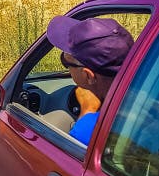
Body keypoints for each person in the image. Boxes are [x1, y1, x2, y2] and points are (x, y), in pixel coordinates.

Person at [46, 16, 135, 145]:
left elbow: (69, 159)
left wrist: (87, 111)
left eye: (66, 62)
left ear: (88, 76)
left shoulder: (92, 128)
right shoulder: (150, 93)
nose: (66, 65)